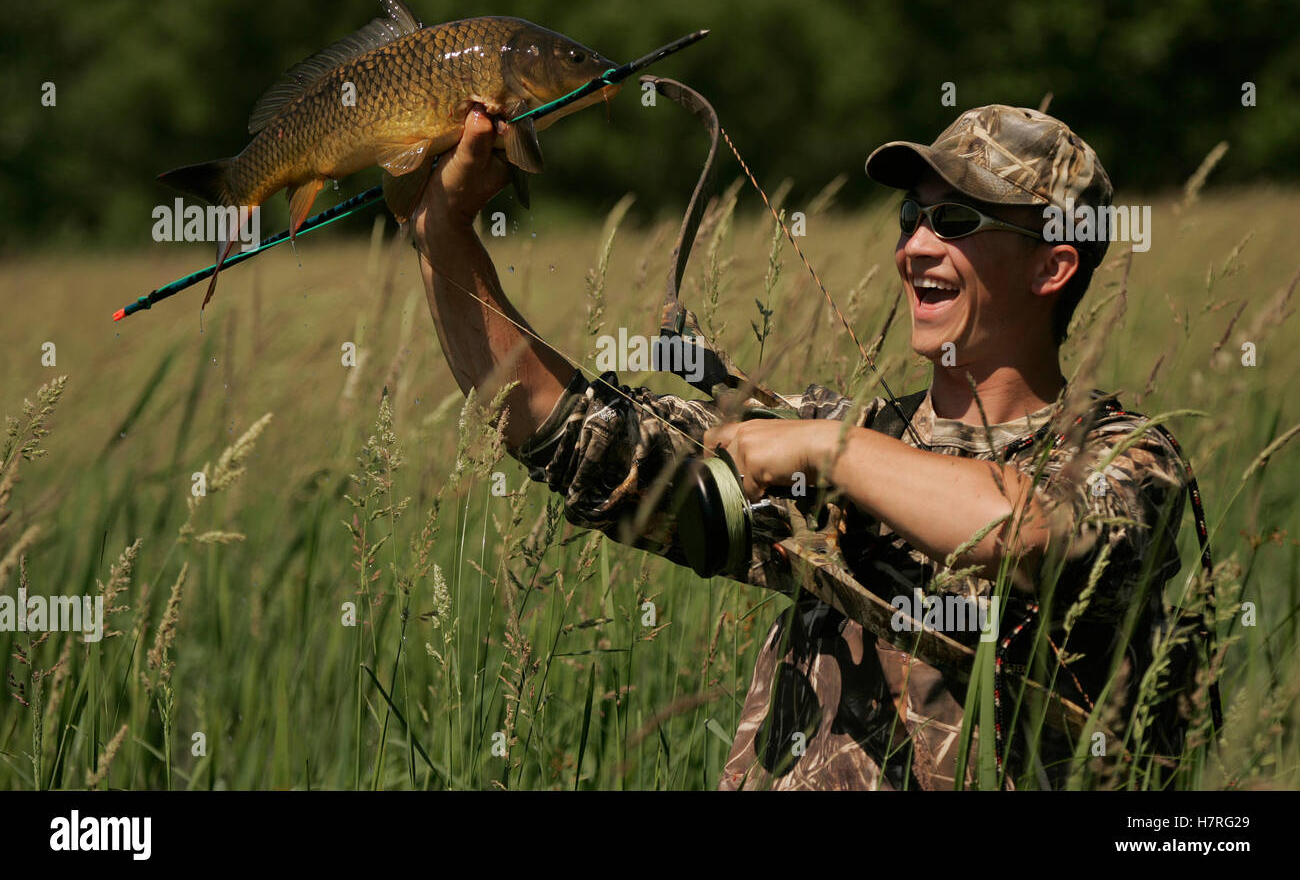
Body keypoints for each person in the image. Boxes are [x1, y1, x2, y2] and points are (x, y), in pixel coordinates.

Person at [410, 104, 1197, 790]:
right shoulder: (844, 439)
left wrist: (826, 447)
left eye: (956, 222)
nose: (916, 247)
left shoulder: (1128, 460)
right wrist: (443, 232)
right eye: (910, 218)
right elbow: (570, 434)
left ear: (1053, 265)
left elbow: (1027, 532)